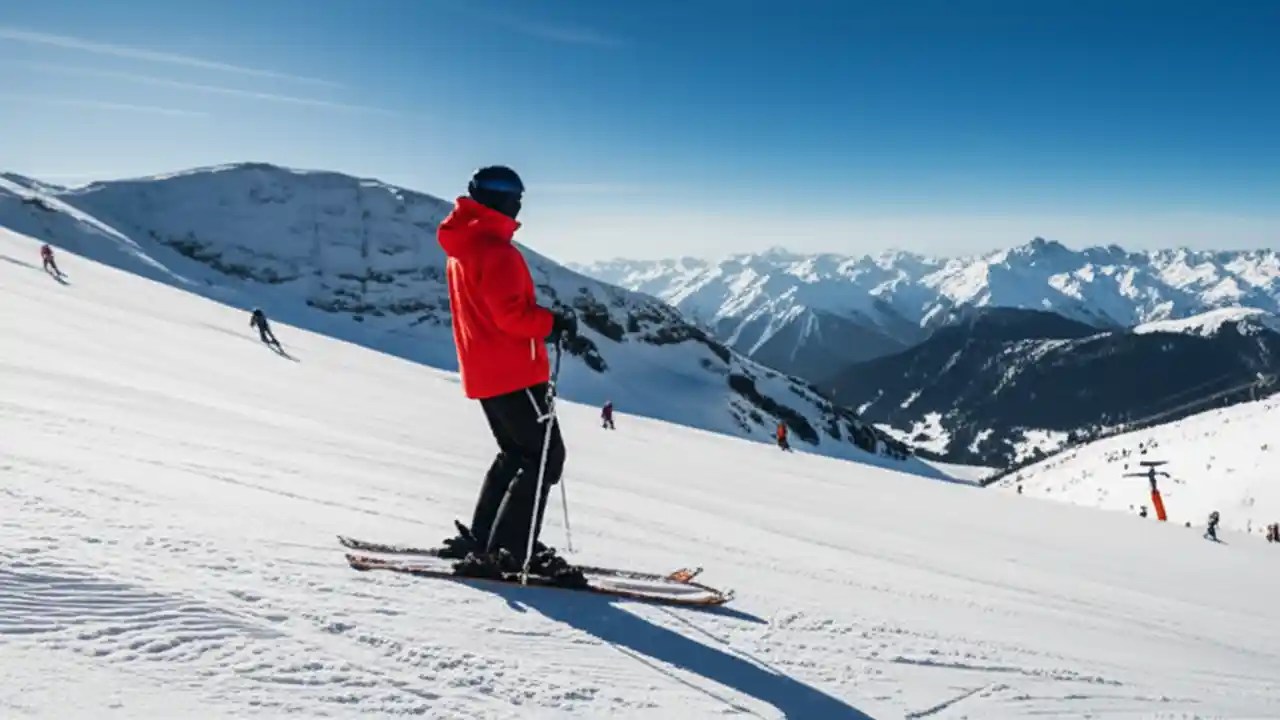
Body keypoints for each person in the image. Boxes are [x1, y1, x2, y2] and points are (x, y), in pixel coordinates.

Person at [435, 165, 583, 587]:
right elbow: (511, 317)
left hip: (486, 373)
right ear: (495, 199)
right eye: (512, 193)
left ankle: (484, 539)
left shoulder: (464, 247)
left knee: (517, 455)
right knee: (545, 458)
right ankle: (511, 553)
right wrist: (553, 323)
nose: (518, 201)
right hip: (515, 372)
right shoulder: (497, 252)